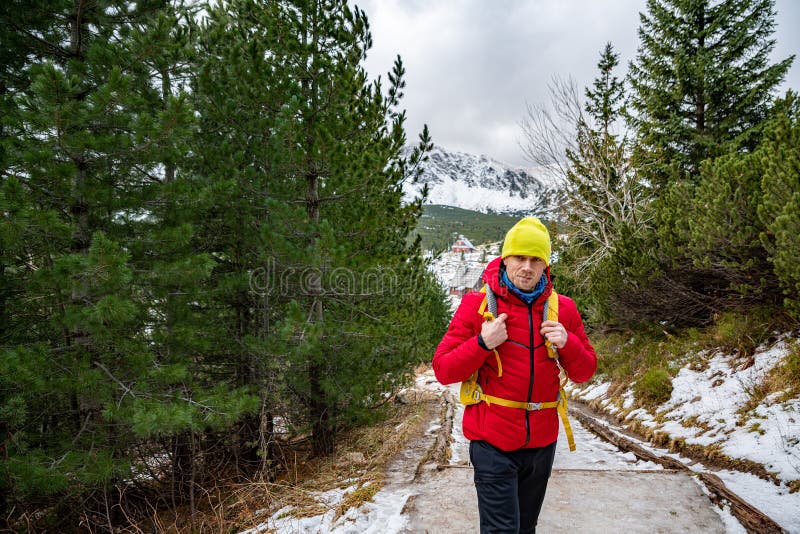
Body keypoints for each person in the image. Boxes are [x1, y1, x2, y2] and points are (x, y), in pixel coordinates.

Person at [433, 216, 597, 533]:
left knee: (525, 528)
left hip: (542, 445)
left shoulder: (563, 309)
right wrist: (483, 343)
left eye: (536, 259)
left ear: (545, 265)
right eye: (520, 257)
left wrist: (568, 342)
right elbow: (442, 369)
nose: (527, 267)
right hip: (492, 442)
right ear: (505, 258)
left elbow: (585, 371)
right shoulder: (476, 306)